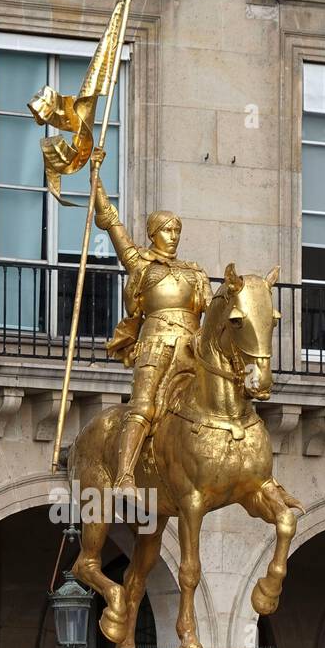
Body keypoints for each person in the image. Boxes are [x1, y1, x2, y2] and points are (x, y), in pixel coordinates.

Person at [92, 148, 212, 496]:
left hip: (192, 346)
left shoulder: (193, 271)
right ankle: (125, 474)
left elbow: (210, 312)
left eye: (177, 230)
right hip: (156, 343)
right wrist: (96, 177)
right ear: (153, 233)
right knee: (144, 405)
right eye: (166, 229)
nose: (173, 235)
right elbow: (111, 222)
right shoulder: (142, 265)